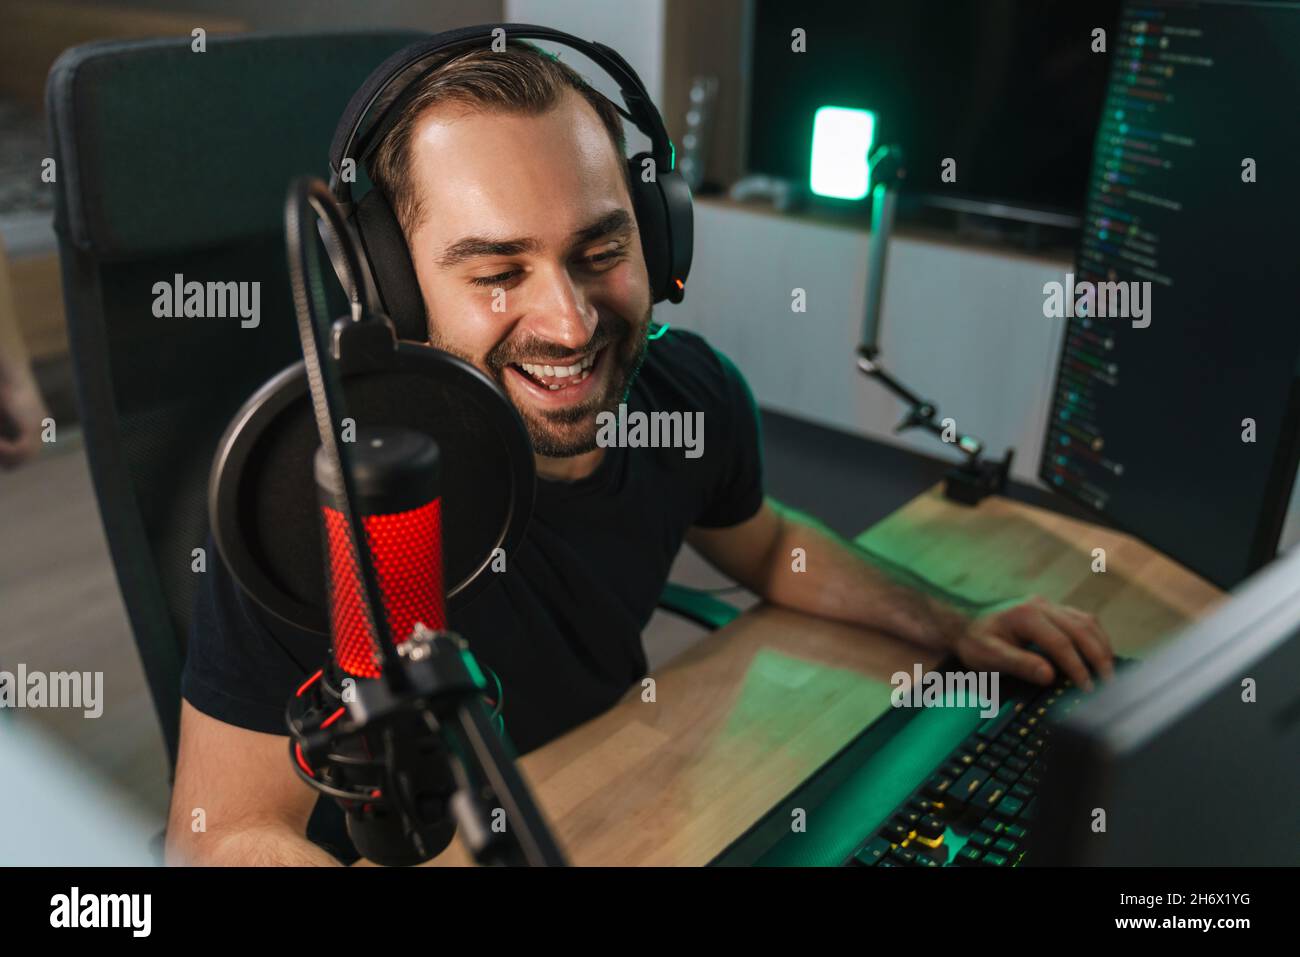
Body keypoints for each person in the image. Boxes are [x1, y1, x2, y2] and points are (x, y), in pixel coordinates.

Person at [167, 40, 1113, 866]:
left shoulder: (686, 394)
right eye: (499, 273)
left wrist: (953, 621)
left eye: (598, 249)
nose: (571, 322)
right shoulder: (332, 504)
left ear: (657, 237)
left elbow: (770, 544)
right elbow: (216, 836)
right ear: (391, 295)